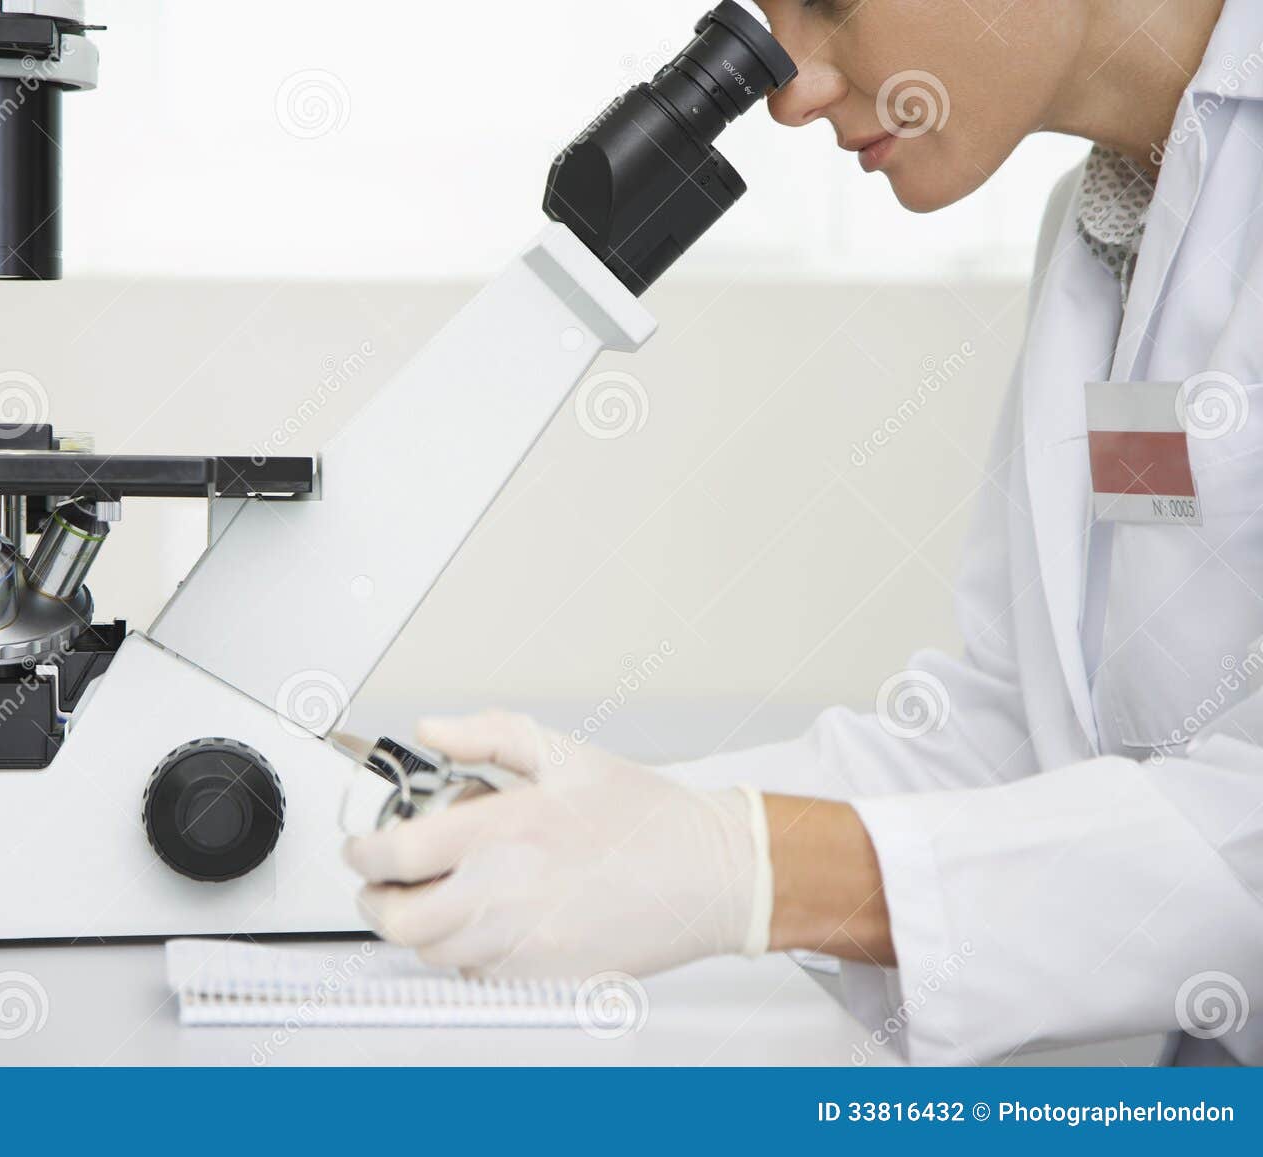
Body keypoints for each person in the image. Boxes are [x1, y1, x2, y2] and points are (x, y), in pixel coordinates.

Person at [342, 0, 1263, 1065]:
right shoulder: (1110, 226)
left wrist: (747, 866)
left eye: (826, 4)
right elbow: (1020, 737)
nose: (788, 94)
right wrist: (636, 827)